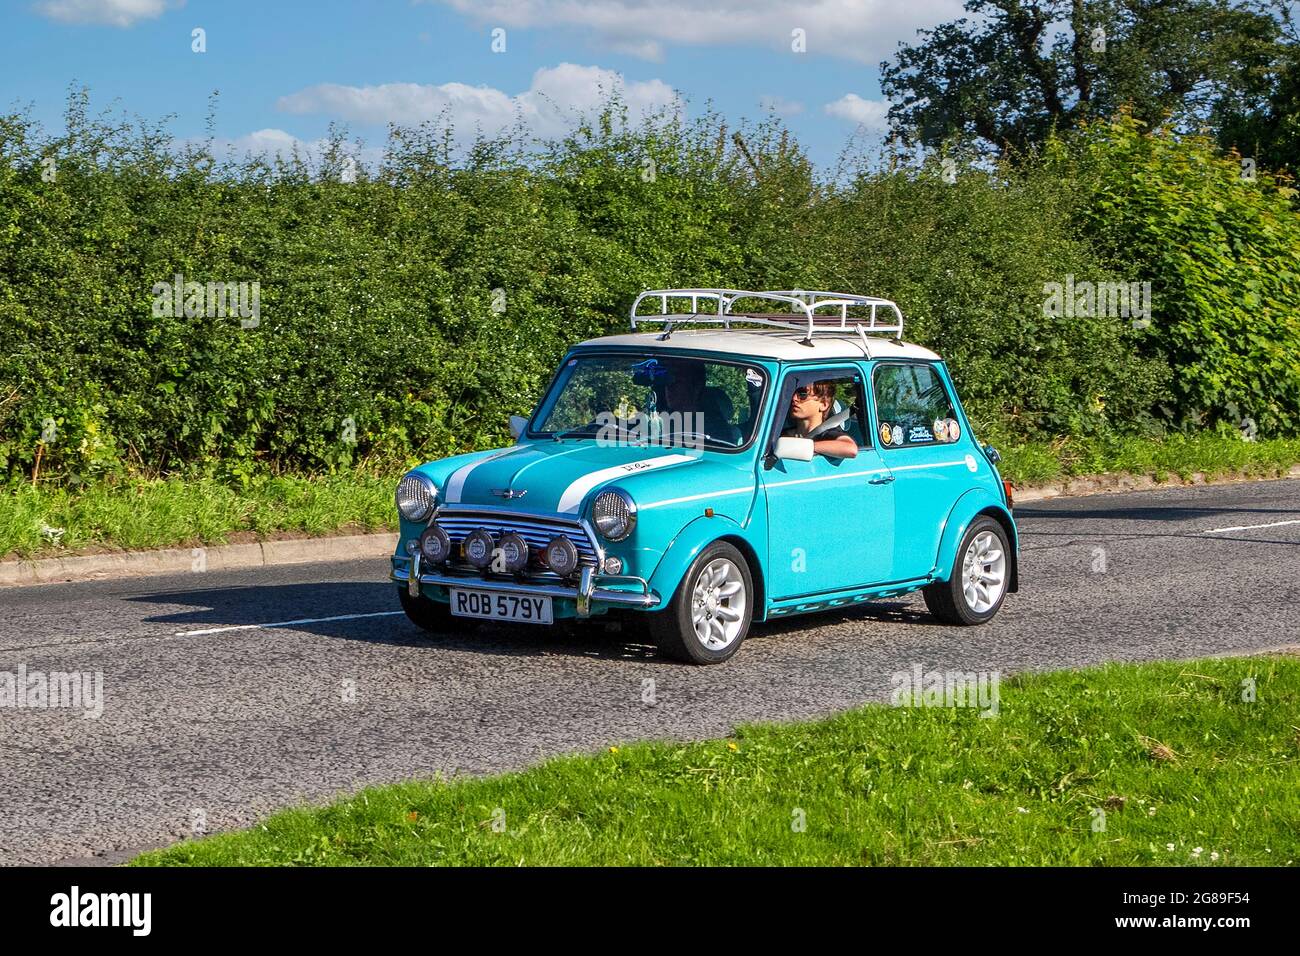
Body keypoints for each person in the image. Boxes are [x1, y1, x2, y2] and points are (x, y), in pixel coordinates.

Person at [782, 380, 858, 459]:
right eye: (792, 393)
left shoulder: (826, 435)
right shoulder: (782, 433)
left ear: (823, 404)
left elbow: (851, 449)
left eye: (803, 394)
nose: (794, 398)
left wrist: (805, 447)